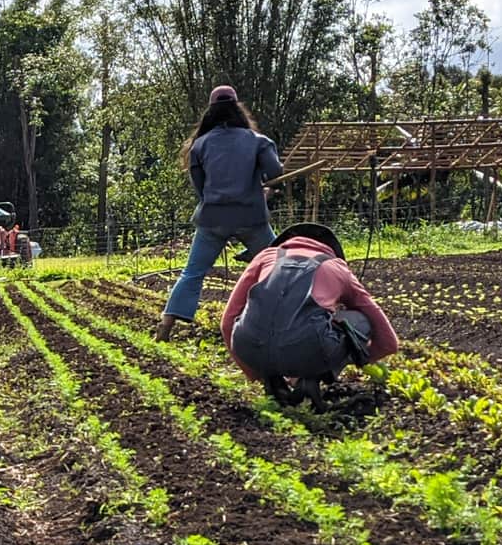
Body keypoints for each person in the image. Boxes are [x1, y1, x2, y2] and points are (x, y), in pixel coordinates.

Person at [221, 223, 398, 409]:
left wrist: (255, 374)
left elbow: (227, 322)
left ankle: (272, 382)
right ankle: (309, 379)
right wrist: (349, 360)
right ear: (330, 249)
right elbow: (389, 343)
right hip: (308, 351)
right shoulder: (337, 268)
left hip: (249, 347)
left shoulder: (265, 257)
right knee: (360, 321)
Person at [155, 85, 283, 342]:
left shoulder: (199, 146)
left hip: (212, 220)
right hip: (251, 219)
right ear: (238, 108)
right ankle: (282, 321)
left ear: (211, 112)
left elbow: (201, 189)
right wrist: (263, 191)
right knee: (279, 267)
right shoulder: (259, 142)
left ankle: (165, 328)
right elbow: (275, 174)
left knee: (192, 273)